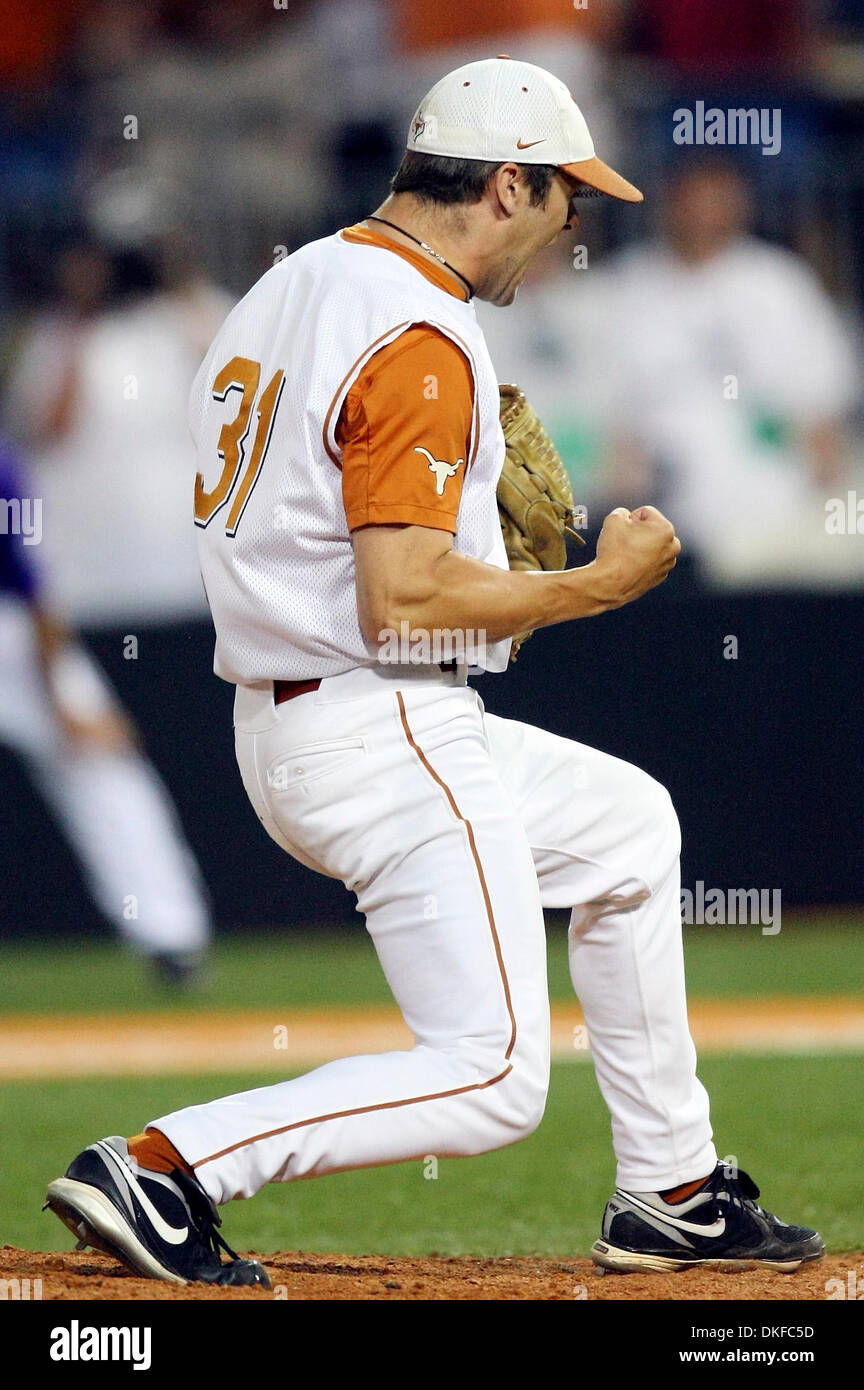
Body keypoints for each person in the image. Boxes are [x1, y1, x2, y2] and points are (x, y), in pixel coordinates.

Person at [45, 58, 824, 1287]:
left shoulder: (295, 282)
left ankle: (672, 1189)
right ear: (509, 184)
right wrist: (594, 587)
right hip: (380, 721)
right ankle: (165, 1164)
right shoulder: (415, 330)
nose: (572, 231)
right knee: (493, 1078)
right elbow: (400, 596)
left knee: (629, 827)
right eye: (569, 201)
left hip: (301, 714)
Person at [0, 437, 211, 985]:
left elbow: (33, 591)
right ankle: (171, 937)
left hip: (12, 637)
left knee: (103, 766)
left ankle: (170, 936)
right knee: (105, 772)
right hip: (16, 635)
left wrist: (59, 699)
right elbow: (39, 592)